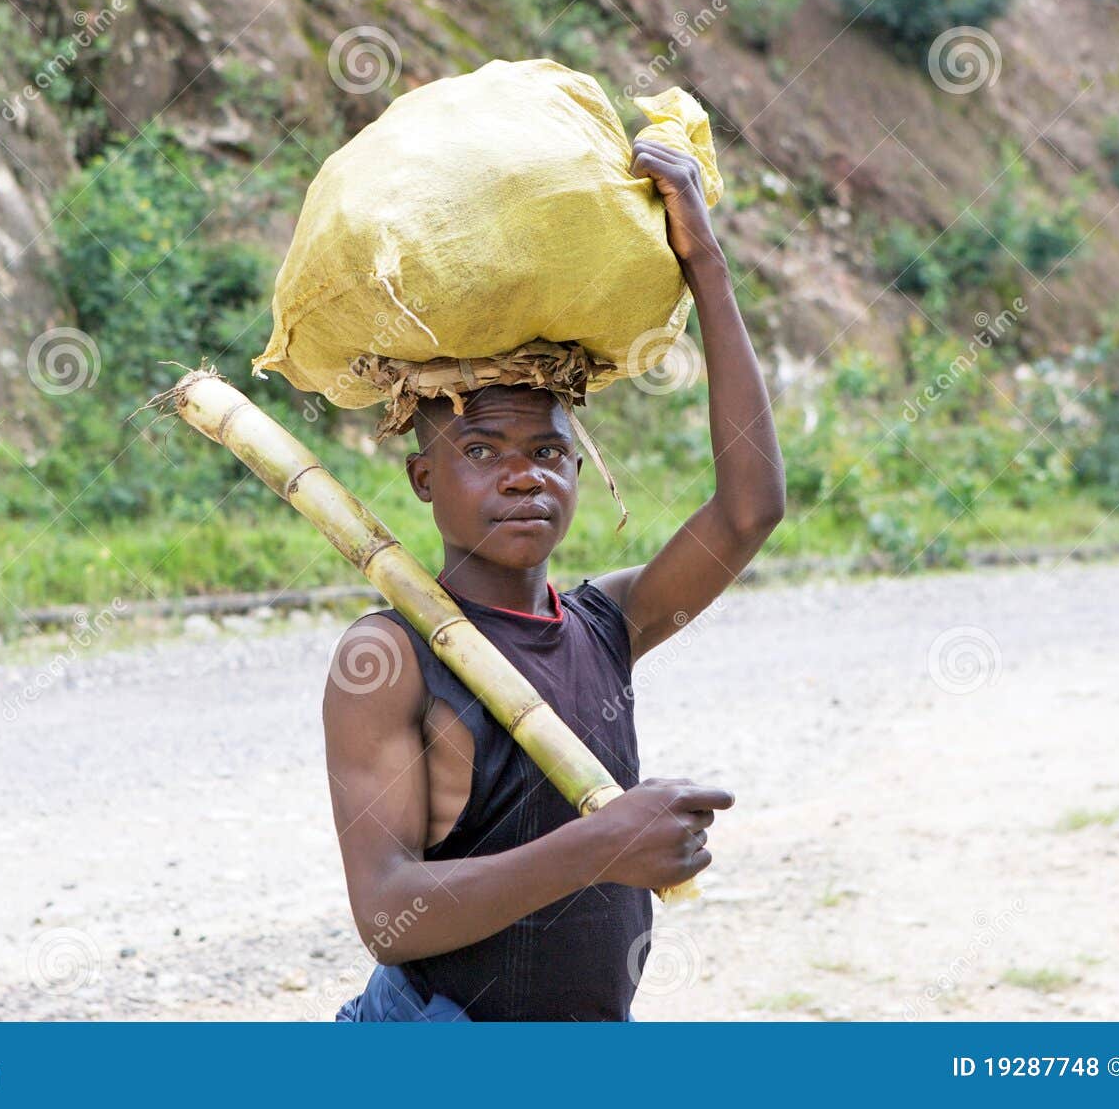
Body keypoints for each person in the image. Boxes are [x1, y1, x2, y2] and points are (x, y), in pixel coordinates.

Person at [326, 138, 786, 1021]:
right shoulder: (388, 658)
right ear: (425, 481)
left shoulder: (606, 622)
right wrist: (601, 845)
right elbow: (387, 912)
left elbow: (748, 510)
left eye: (548, 453)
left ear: (580, 472)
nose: (523, 475)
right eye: (482, 452)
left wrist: (706, 266)